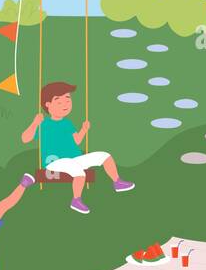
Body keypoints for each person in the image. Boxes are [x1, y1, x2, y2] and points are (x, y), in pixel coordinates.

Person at [20, 81, 135, 215]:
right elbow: (25, 139)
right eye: (59, 101)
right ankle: (76, 200)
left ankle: (117, 182)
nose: (65, 105)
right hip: (54, 162)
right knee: (78, 171)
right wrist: (34, 123)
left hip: (75, 158)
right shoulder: (43, 124)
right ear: (48, 105)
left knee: (104, 155)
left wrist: (83, 130)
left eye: (68, 99)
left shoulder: (68, 123)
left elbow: (77, 141)